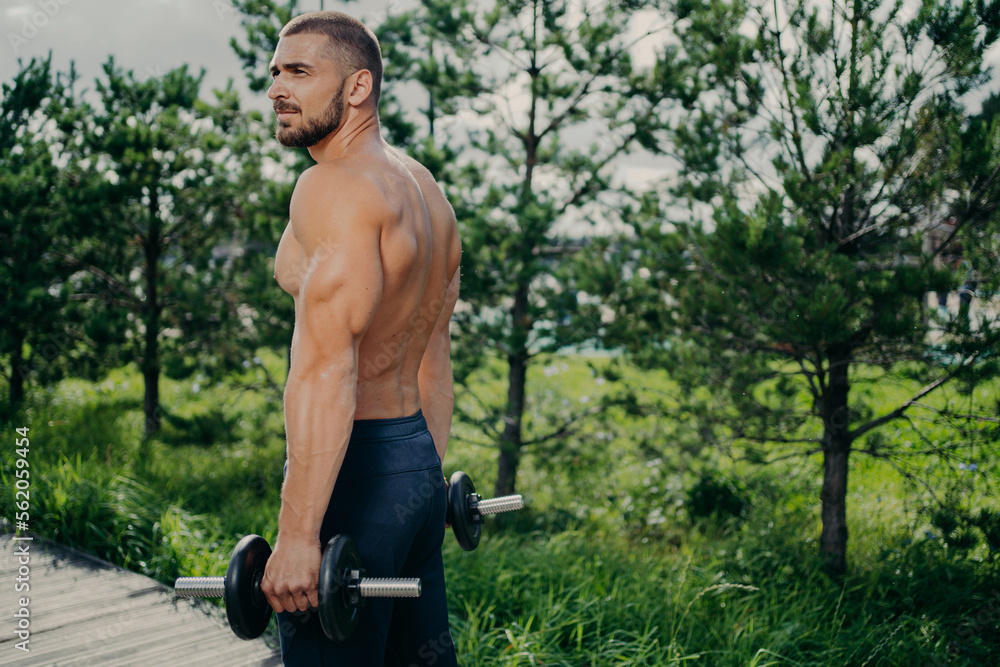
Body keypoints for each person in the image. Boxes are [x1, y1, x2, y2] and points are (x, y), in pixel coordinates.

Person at [259, 11, 462, 667]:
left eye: (299, 72)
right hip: (413, 463)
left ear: (357, 88)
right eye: (274, 73)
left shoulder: (335, 189)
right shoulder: (424, 192)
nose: (276, 90)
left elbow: (324, 370)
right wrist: (422, 482)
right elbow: (433, 349)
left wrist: (297, 535)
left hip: (356, 467)